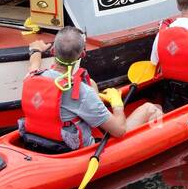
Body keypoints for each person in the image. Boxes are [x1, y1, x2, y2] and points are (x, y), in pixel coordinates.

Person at [19, 27, 163, 150]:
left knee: (91, 83)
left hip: (40, 140)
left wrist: (36, 50)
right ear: (82, 54)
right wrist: (117, 105)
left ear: (53, 51)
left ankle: (100, 116)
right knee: (152, 108)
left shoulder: (32, 77)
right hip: (74, 148)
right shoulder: (80, 92)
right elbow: (120, 131)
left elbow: (34, 65)